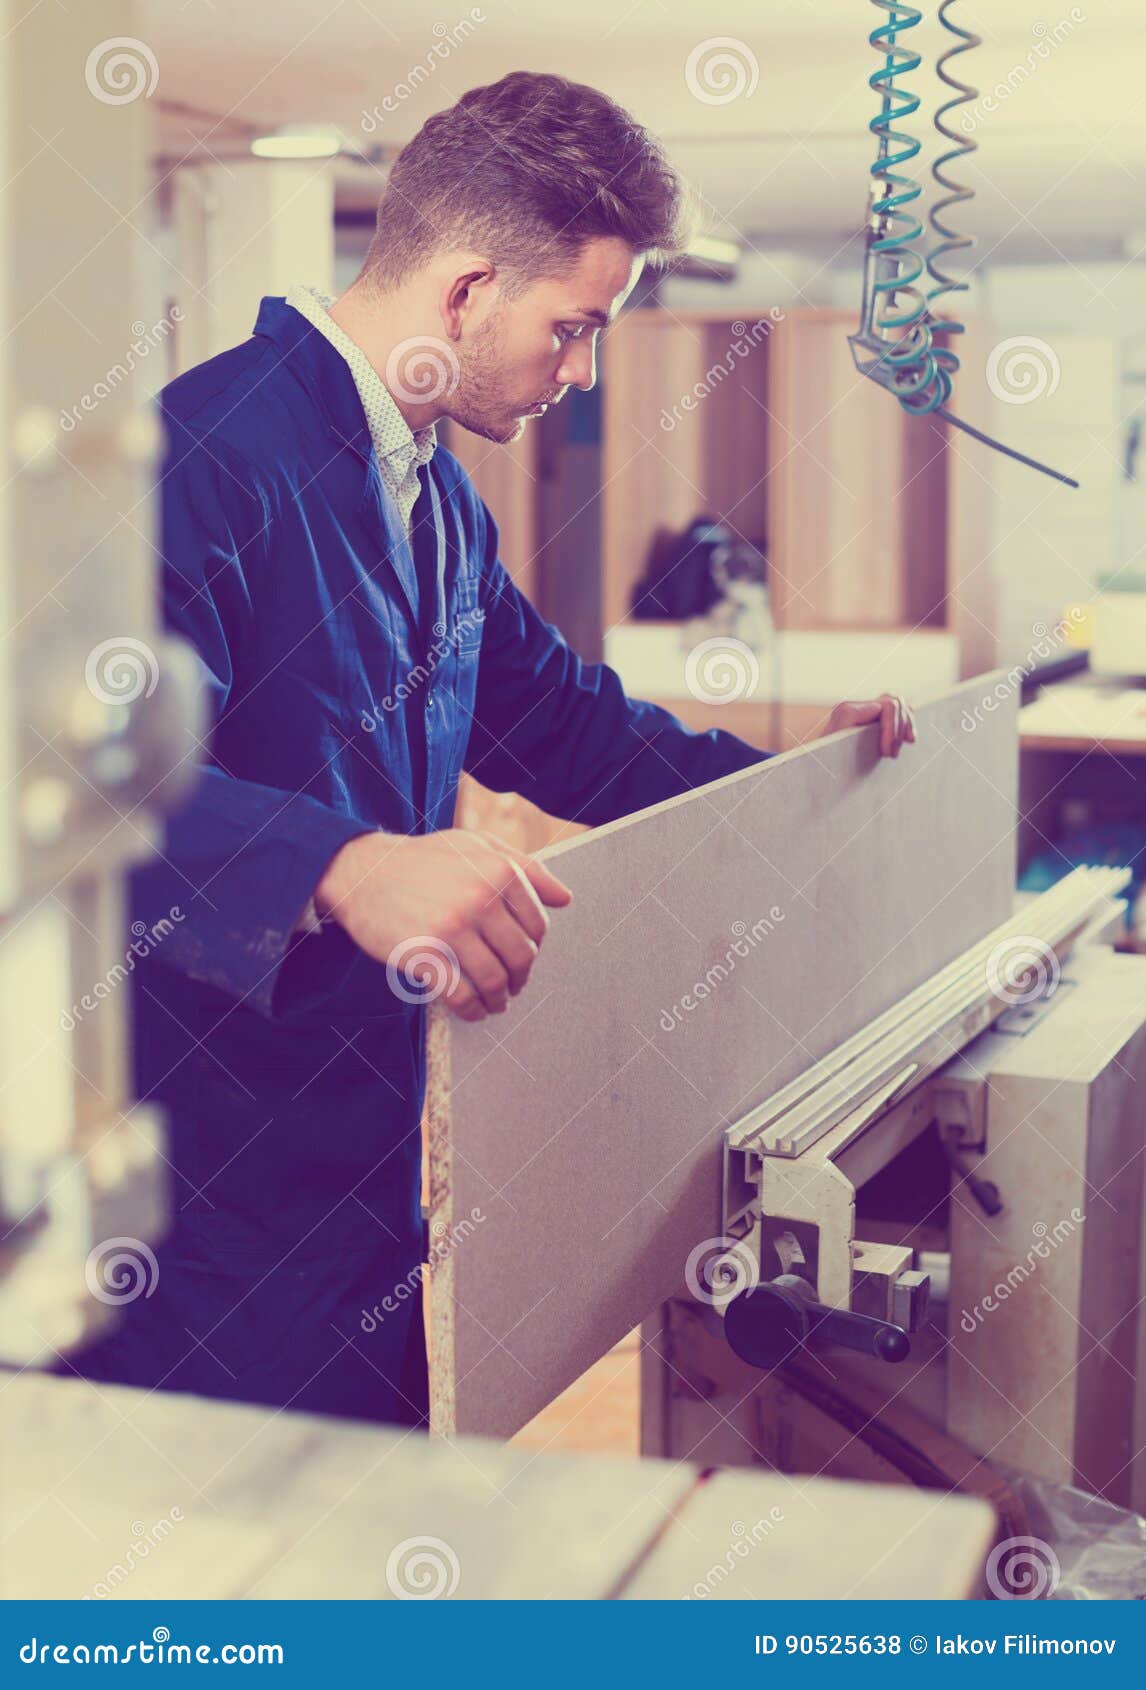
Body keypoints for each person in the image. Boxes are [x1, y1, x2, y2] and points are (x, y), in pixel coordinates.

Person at [71, 71, 914, 1427]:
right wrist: (339, 861)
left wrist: (783, 781)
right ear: (464, 290)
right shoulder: (202, 458)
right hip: (208, 1206)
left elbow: (564, 720)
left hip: (369, 1164)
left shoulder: (435, 503)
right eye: (572, 329)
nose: (577, 375)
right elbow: (67, 791)